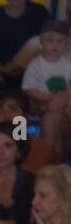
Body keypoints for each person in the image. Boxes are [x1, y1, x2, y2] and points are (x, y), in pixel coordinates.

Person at [21, 19, 71, 150]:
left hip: (64, 103)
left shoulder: (67, 64)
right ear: (42, 42)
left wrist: (65, 95)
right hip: (45, 105)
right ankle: (47, 156)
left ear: (66, 44)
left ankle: (56, 158)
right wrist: (48, 97)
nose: (55, 45)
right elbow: (28, 88)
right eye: (50, 40)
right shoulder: (36, 65)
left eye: (60, 41)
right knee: (51, 122)